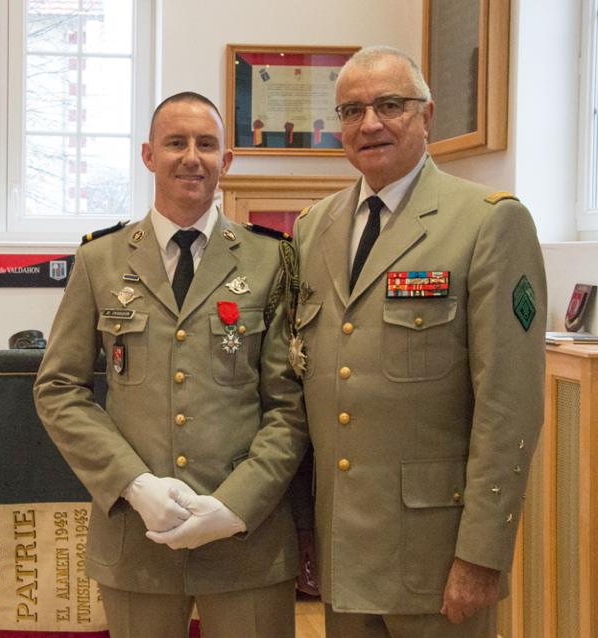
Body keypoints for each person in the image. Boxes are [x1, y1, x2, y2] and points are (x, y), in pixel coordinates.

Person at [292, 46, 547, 638]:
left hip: (436, 553)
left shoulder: (487, 222)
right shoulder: (314, 228)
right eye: (352, 110)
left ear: (427, 117)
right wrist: (304, 525)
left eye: (390, 105)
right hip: (343, 548)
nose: (371, 123)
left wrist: (482, 553)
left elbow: (510, 407)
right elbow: (304, 389)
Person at [33, 92, 309, 638]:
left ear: (226, 160)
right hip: (137, 538)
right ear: (148, 155)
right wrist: (134, 485)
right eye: (175, 142)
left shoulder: (271, 259)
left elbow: (290, 403)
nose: (191, 157)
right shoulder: (99, 260)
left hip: (246, 541)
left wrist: (235, 505)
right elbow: (59, 389)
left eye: (207, 144)